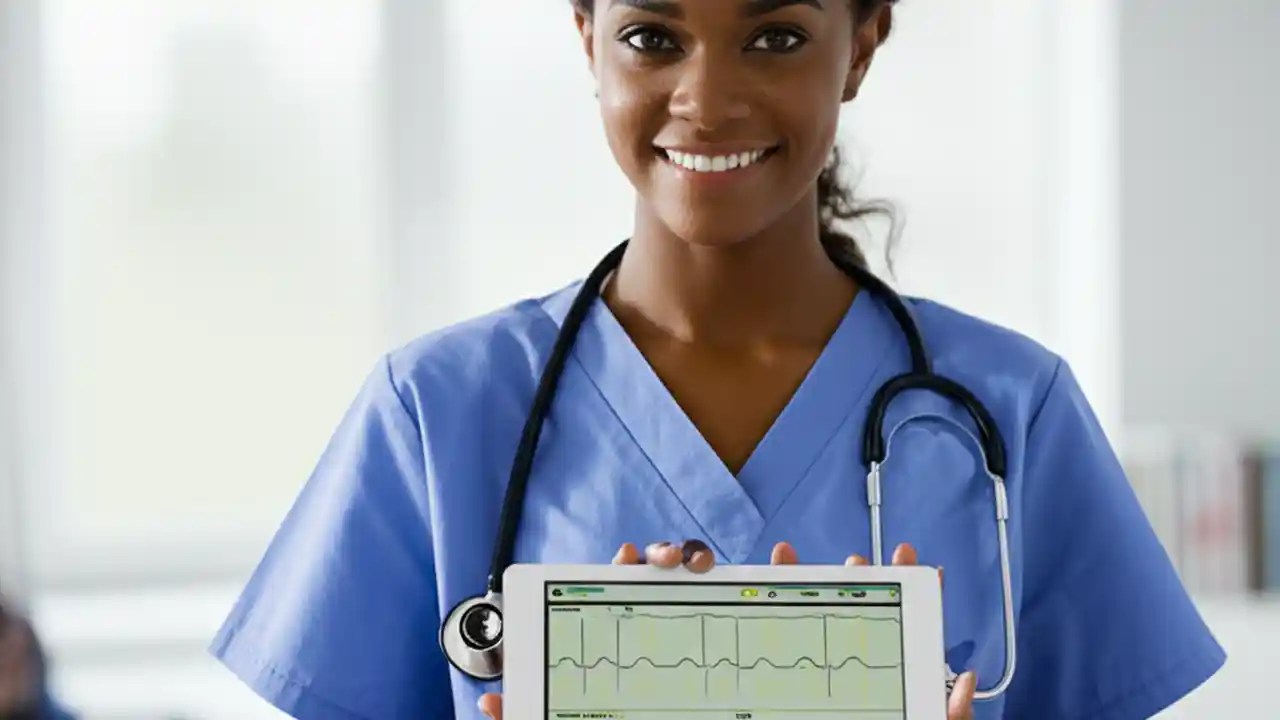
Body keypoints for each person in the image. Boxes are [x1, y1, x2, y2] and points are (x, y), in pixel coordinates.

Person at [210, 0, 1226, 718]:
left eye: (774, 36)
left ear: (863, 42)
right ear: (586, 38)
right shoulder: (432, 412)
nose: (706, 97)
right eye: (652, 37)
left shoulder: (1009, 409)